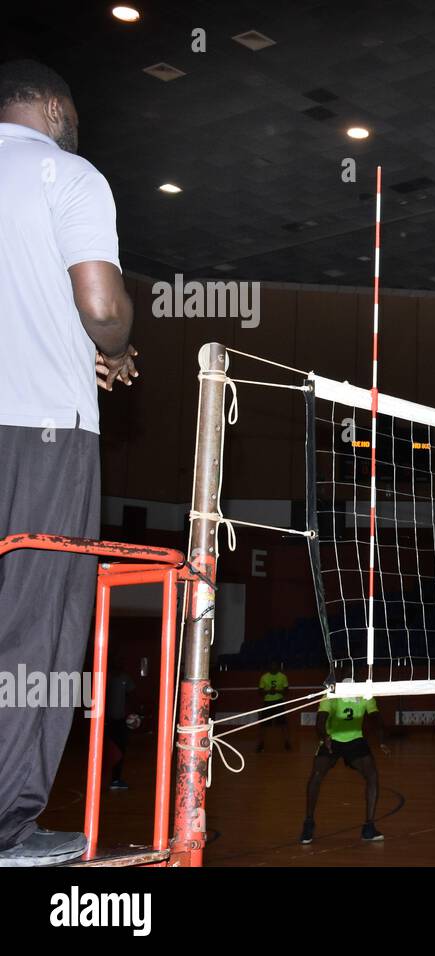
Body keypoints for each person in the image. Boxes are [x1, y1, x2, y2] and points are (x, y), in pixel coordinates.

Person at [0, 60, 139, 867]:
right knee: (34, 634)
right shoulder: (67, 172)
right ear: (54, 107)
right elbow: (102, 307)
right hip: (41, 433)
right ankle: (10, 825)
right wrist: (115, 349)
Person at [299, 692, 390, 844]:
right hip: (332, 739)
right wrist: (324, 737)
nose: (350, 675)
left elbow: (376, 719)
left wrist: (382, 742)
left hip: (355, 740)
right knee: (316, 775)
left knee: (372, 776)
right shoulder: (331, 695)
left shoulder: (365, 694)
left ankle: (369, 827)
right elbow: (320, 721)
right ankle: (308, 824)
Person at [105, 659, 136, 790]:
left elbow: (133, 695)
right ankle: (112, 779)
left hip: (121, 721)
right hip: (108, 722)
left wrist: (131, 714)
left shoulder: (125, 679)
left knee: (119, 750)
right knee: (112, 751)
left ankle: (115, 779)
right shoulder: (107, 679)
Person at [256, 660, 292, 752]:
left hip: (279, 702)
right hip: (267, 703)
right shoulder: (264, 677)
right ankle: (261, 744)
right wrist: (268, 691)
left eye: (275, 665)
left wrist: (277, 691)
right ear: (269, 666)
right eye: (272, 665)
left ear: (278, 666)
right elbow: (260, 691)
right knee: (264, 724)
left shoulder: (283, 677)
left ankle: (287, 743)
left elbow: (286, 690)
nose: (273, 667)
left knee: (283, 724)